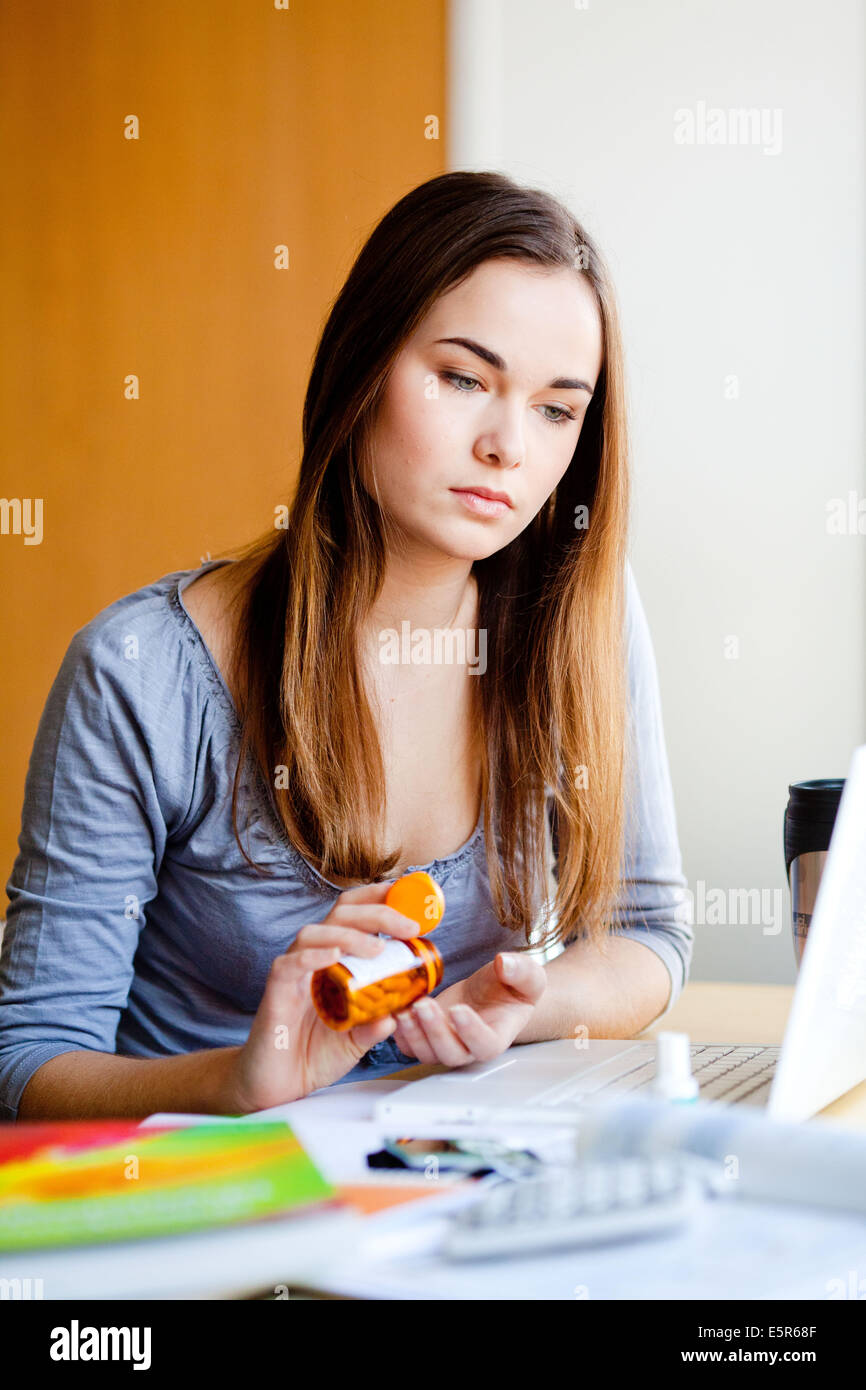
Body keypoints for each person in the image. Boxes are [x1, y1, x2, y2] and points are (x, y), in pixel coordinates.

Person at [0, 171, 692, 1121]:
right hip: (200, 1192)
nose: (507, 445)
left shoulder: (584, 618)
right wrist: (242, 1079)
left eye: (556, 408)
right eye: (462, 378)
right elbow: (29, 1061)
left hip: (435, 1172)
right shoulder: (142, 671)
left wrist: (520, 1007)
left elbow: (648, 934)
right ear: (361, 367)